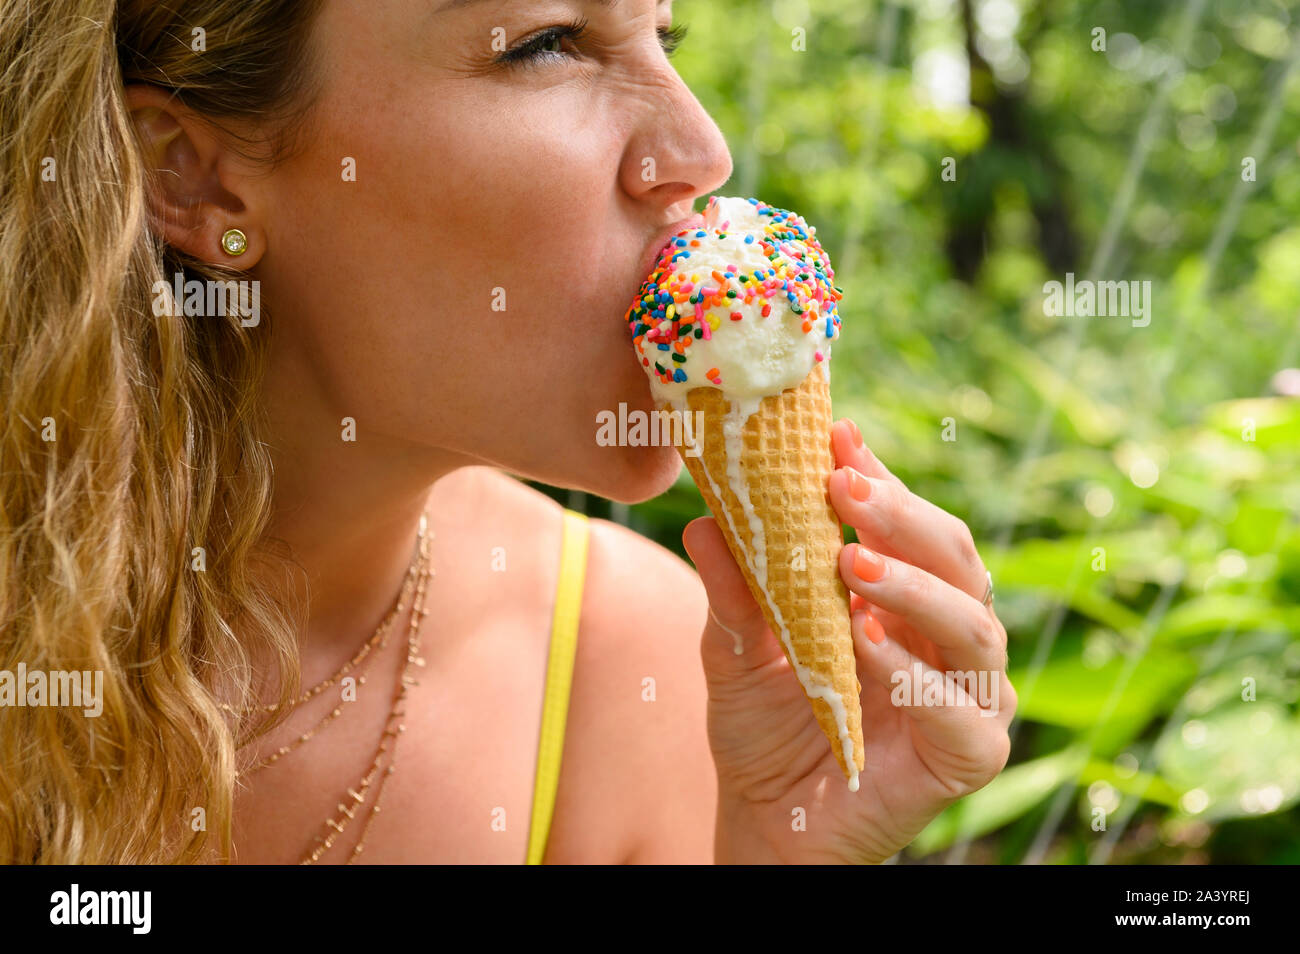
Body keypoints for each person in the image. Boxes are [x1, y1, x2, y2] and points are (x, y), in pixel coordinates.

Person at [0, 0, 1015, 864]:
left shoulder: (646, 672)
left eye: (669, 33)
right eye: (546, 43)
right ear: (196, 178)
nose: (701, 154)